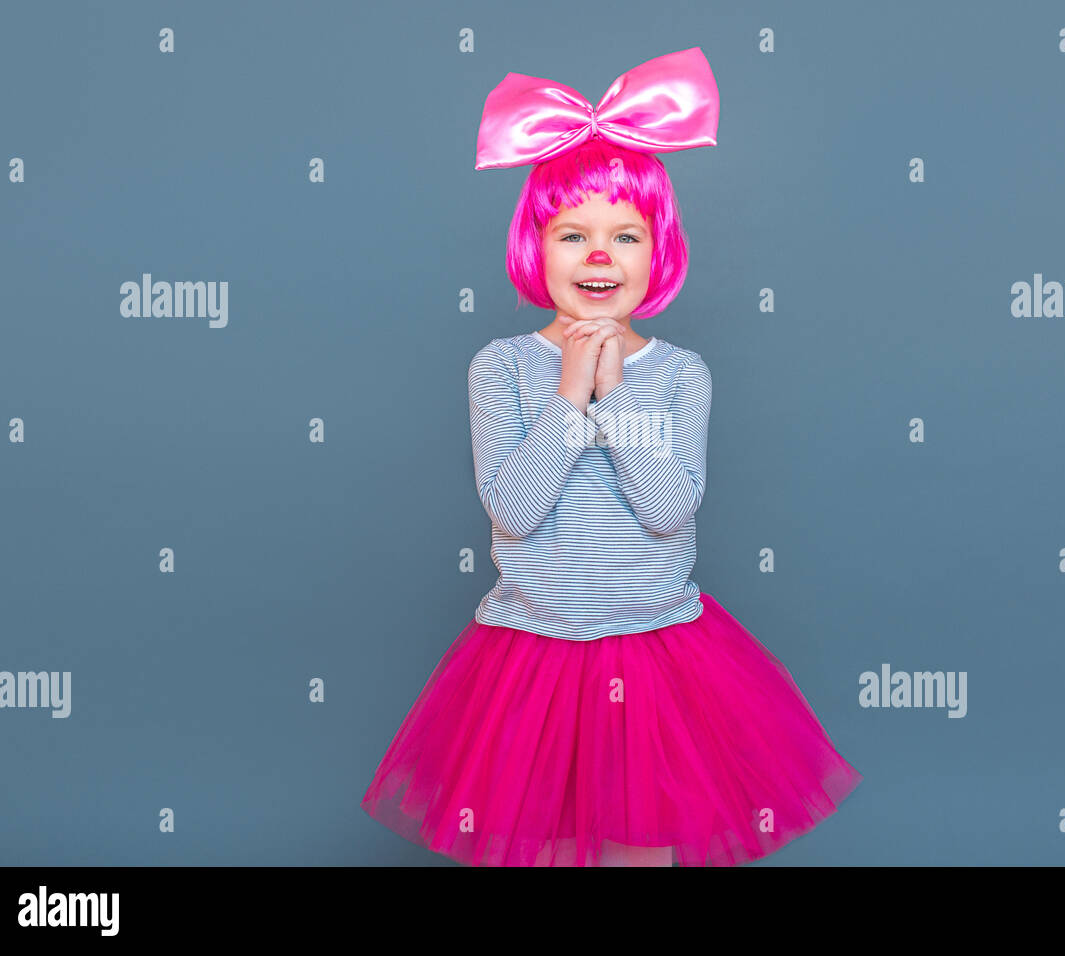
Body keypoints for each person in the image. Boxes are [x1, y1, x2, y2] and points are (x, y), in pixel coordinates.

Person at [361, 47, 862, 866]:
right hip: (533, 657)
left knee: (640, 848)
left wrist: (613, 395)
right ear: (538, 246)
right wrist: (568, 396)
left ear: (655, 255)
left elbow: (668, 510)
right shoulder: (501, 368)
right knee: (546, 843)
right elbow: (515, 513)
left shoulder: (678, 376)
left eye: (625, 235)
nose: (600, 255)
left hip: (657, 657)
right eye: (574, 234)